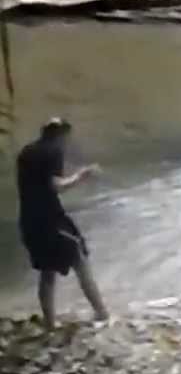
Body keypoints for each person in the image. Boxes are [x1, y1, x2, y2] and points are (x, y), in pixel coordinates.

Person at [16, 118, 109, 330]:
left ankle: (50, 323)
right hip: (51, 219)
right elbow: (56, 186)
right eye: (67, 138)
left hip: (29, 221)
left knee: (47, 271)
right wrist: (83, 175)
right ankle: (102, 314)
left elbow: (34, 184)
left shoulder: (26, 152)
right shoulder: (53, 151)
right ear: (61, 136)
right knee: (80, 258)